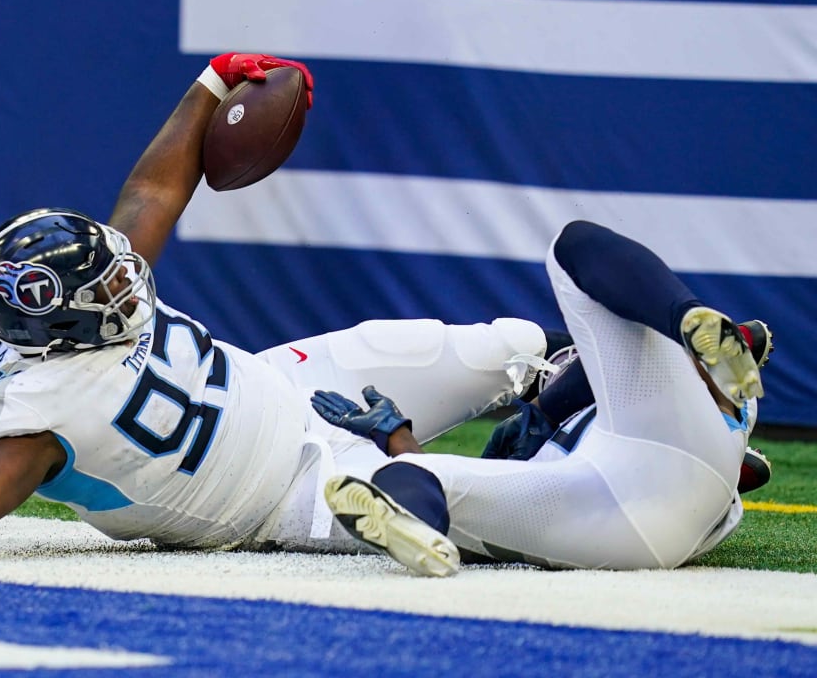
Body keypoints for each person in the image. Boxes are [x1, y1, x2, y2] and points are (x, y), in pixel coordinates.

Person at [0, 53, 555, 563]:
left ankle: (612, 371)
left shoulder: (99, 299)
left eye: (117, 273)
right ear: (50, 322)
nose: (126, 285)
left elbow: (153, 193)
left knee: (512, 344)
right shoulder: (38, 409)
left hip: (294, 384)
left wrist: (210, 83)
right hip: (280, 498)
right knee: (483, 515)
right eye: (105, 290)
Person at [311, 219, 771, 575]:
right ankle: (416, 530)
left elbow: (711, 363)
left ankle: (693, 323)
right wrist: (398, 439)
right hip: (630, 500)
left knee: (639, 314)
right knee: (417, 474)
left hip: (612, 522)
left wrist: (545, 411)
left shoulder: (631, 400)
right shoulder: (631, 410)